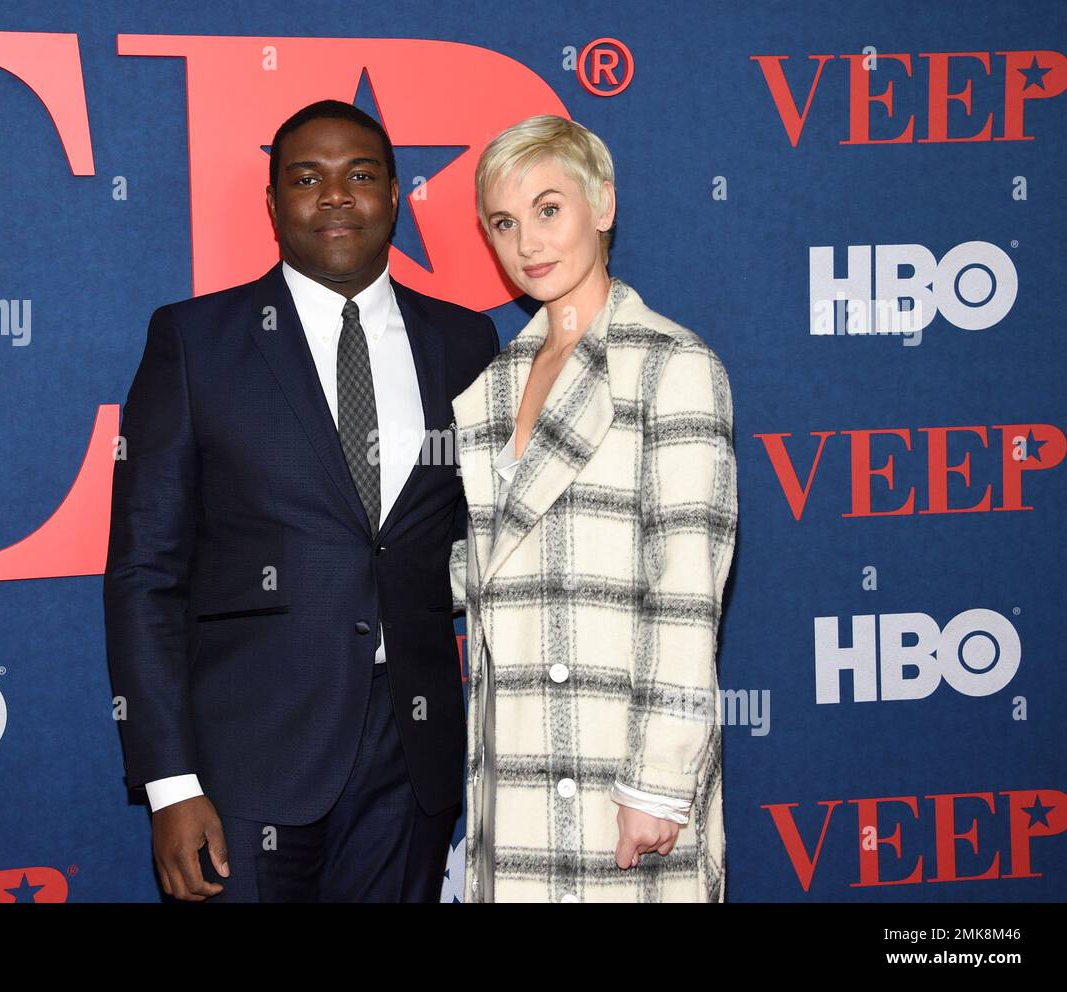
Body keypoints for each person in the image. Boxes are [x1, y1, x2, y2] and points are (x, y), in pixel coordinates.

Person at [104, 99, 498, 902]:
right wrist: (172, 784)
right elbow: (146, 573)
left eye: (360, 175)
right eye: (307, 178)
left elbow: (477, 538)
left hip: (410, 756)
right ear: (274, 203)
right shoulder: (195, 342)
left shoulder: (467, 343)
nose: (336, 196)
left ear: (395, 195)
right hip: (245, 764)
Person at [449, 115, 737, 902]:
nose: (528, 244)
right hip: (512, 774)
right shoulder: (487, 390)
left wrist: (659, 781)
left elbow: (688, 587)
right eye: (504, 224)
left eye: (550, 209)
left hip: (620, 775)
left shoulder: (671, 365)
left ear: (602, 205)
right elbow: (478, 571)